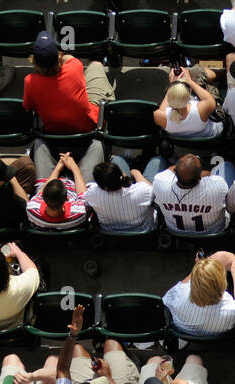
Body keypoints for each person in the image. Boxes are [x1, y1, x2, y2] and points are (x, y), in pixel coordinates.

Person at [23, 31, 113, 181]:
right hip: (87, 130)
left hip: (54, 135)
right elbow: (69, 57)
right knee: (96, 66)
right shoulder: (74, 68)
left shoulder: (30, 81)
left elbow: (28, 106)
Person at [163, 253, 235, 339]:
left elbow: (166, 299)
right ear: (223, 284)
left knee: (218, 256)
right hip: (219, 337)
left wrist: (198, 267)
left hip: (184, 332)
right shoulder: (231, 311)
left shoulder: (178, 297)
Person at [152, 153, 231, 237]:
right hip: (213, 233)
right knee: (227, 166)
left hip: (175, 232)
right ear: (200, 177)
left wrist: (183, 169)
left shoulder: (160, 182)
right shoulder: (217, 185)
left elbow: (170, 170)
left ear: (175, 174)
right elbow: (210, 175)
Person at [82, 159, 155, 234]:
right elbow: (155, 192)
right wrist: (137, 174)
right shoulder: (142, 191)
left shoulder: (94, 193)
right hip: (144, 233)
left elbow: (81, 197)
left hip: (109, 236)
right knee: (156, 161)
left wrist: (75, 169)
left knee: (117, 159)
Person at [25, 152, 89, 232]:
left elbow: (40, 193)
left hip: (48, 179)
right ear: (66, 199)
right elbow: (84, 196)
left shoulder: (32, 208)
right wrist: (74, 167)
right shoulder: (79, 212)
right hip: (80, 185)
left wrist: (58, 168)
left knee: (39, 143)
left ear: (43, 198)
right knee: (97, 146)